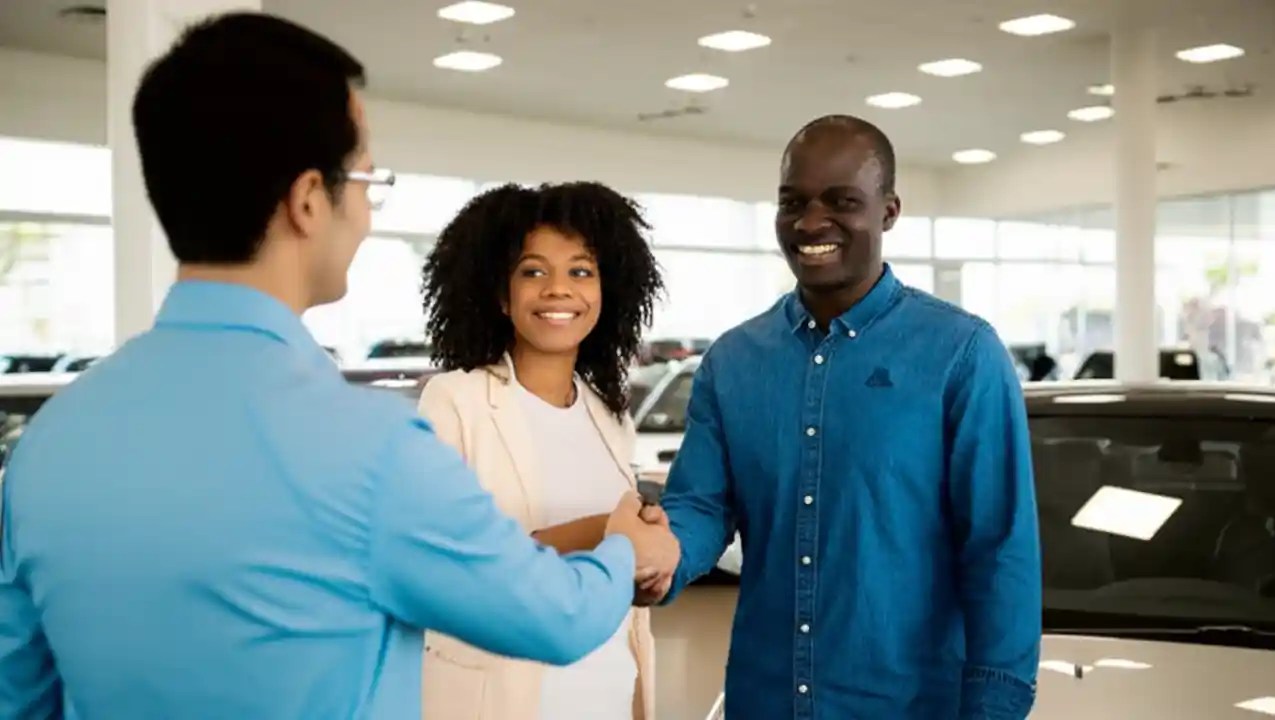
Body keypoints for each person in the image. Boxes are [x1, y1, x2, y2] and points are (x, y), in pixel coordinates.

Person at [0, 13, 665, 719]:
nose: (368, 213)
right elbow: (553, 618)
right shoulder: (371, 449)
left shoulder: (51, 442)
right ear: (310, 200)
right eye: (366, 181)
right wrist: (622, 548)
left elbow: (20, 696)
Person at [641, 115, 1042, 718]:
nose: (810, 223)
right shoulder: (733, 361)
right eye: (792, 202)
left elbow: (999, 546)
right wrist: (658, 554)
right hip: (763, 698)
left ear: (888, 211)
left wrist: (993, 707)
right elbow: (703, 504)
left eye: (841, 201)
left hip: (909, 704)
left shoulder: (960, 354)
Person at [417, 181, 669, 720]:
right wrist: (611, 535)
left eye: (581, 271)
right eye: (534, 271)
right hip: (503, 703)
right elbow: (449, 566)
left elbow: (613, 569)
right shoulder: (455, 402)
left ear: (607, 291)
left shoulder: (609, 415)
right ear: (503, 296)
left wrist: (645, 573)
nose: (559, 290)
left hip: (608, 695)